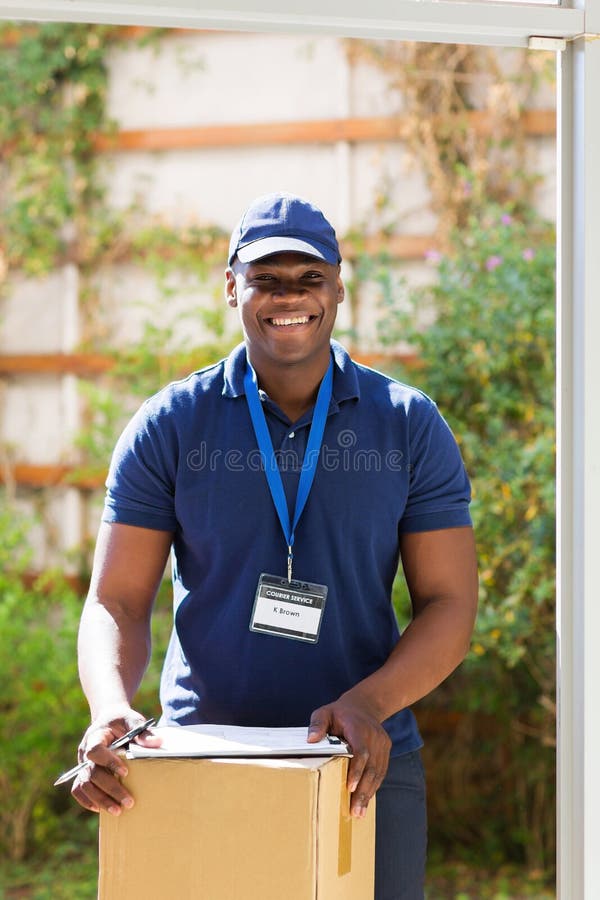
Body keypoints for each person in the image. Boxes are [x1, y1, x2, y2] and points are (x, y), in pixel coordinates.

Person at [72, 192, 478, 899]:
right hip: (202, 760)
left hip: (360, 763)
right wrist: (110, 705)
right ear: (232, 287)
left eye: (308, 278)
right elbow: (117, 598)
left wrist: (370, 703)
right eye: (266, 279)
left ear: (339, 287)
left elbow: (450, 604)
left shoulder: (407, 424)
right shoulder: (170, 424)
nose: (289, 297)